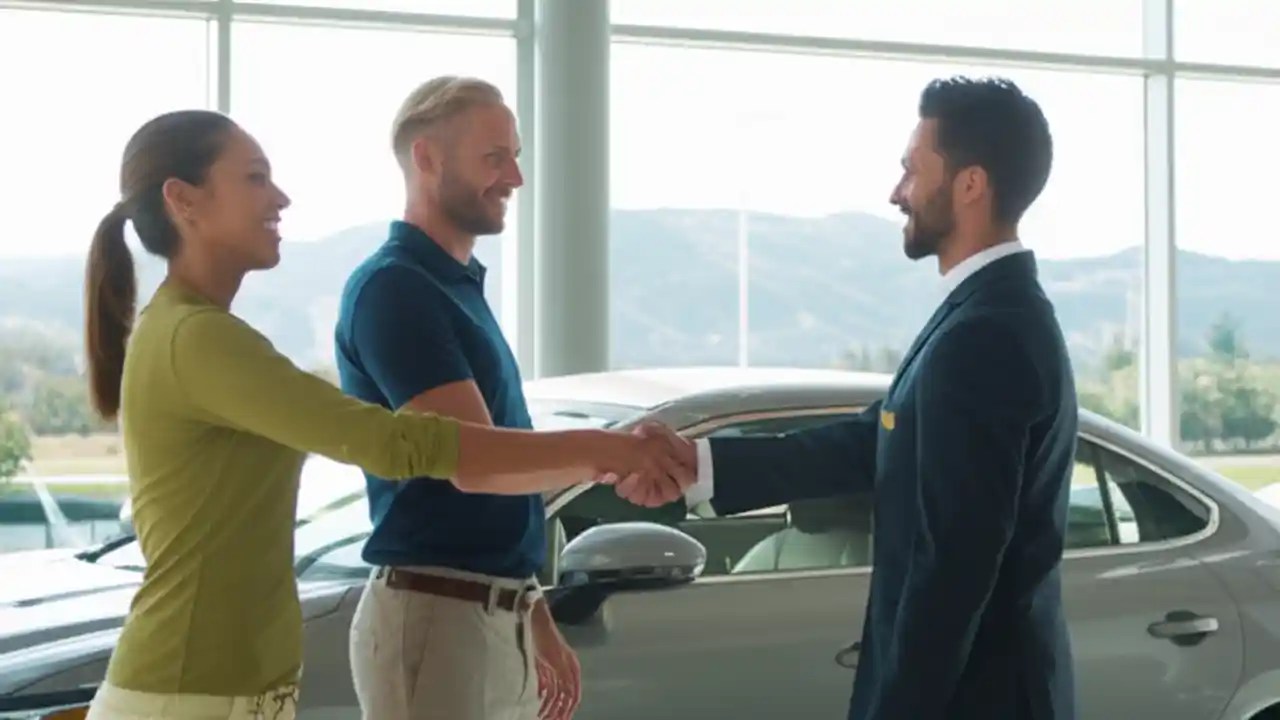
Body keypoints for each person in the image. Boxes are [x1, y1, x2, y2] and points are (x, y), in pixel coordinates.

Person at [82, 109, 691, 720]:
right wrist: (606, 450)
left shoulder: (193, 332)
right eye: (255, 178)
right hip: (186, 693)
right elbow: (396, 443)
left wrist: (529, 596)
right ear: (184, 201)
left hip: (222, 690)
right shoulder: (197, 339)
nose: (281, 197)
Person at [618, 76, 1078, 720]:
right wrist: (702, 465)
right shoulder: (987, 314)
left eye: (912, 171)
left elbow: (954, 562)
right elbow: (876, 441)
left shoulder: (987, 333)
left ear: (970, 184)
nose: (898, 193)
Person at [335, 75, 600, 720]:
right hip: (438, 621)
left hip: (483, 615)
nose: (515, 177)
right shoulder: (396, 288)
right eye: (495, 157)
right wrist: (616, 453)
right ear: (427, 158)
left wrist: (528, 602)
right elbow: (474, 463)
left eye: (515, 155)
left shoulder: (453, 288)